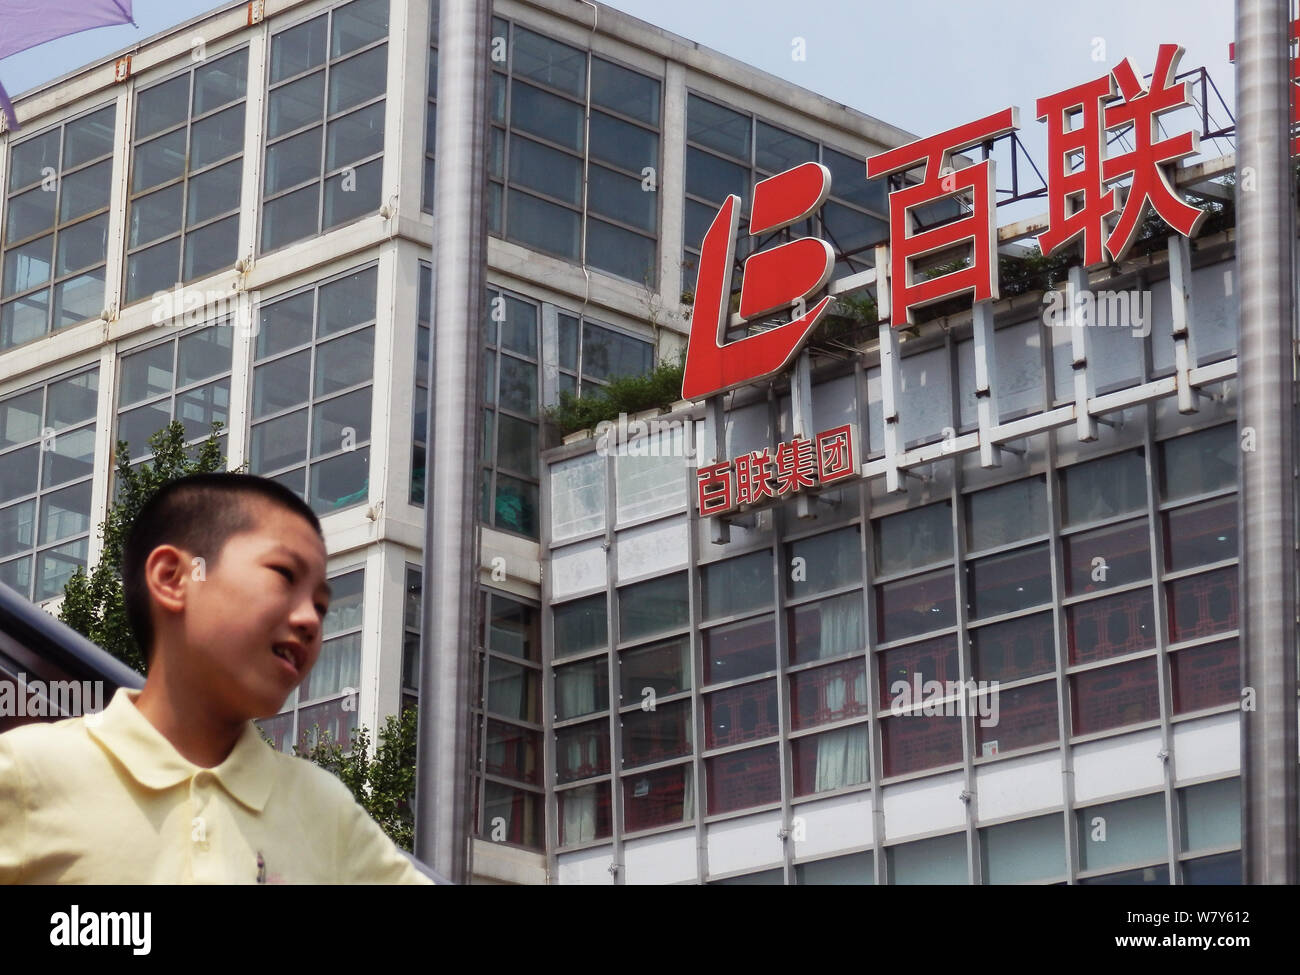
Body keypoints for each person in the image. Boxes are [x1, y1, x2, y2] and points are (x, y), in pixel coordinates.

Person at [0, 472, 433, 884]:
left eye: (321, 606)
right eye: (283, 576)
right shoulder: (28, 771)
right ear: (173, 578)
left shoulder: (326, 811)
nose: (309, 619)